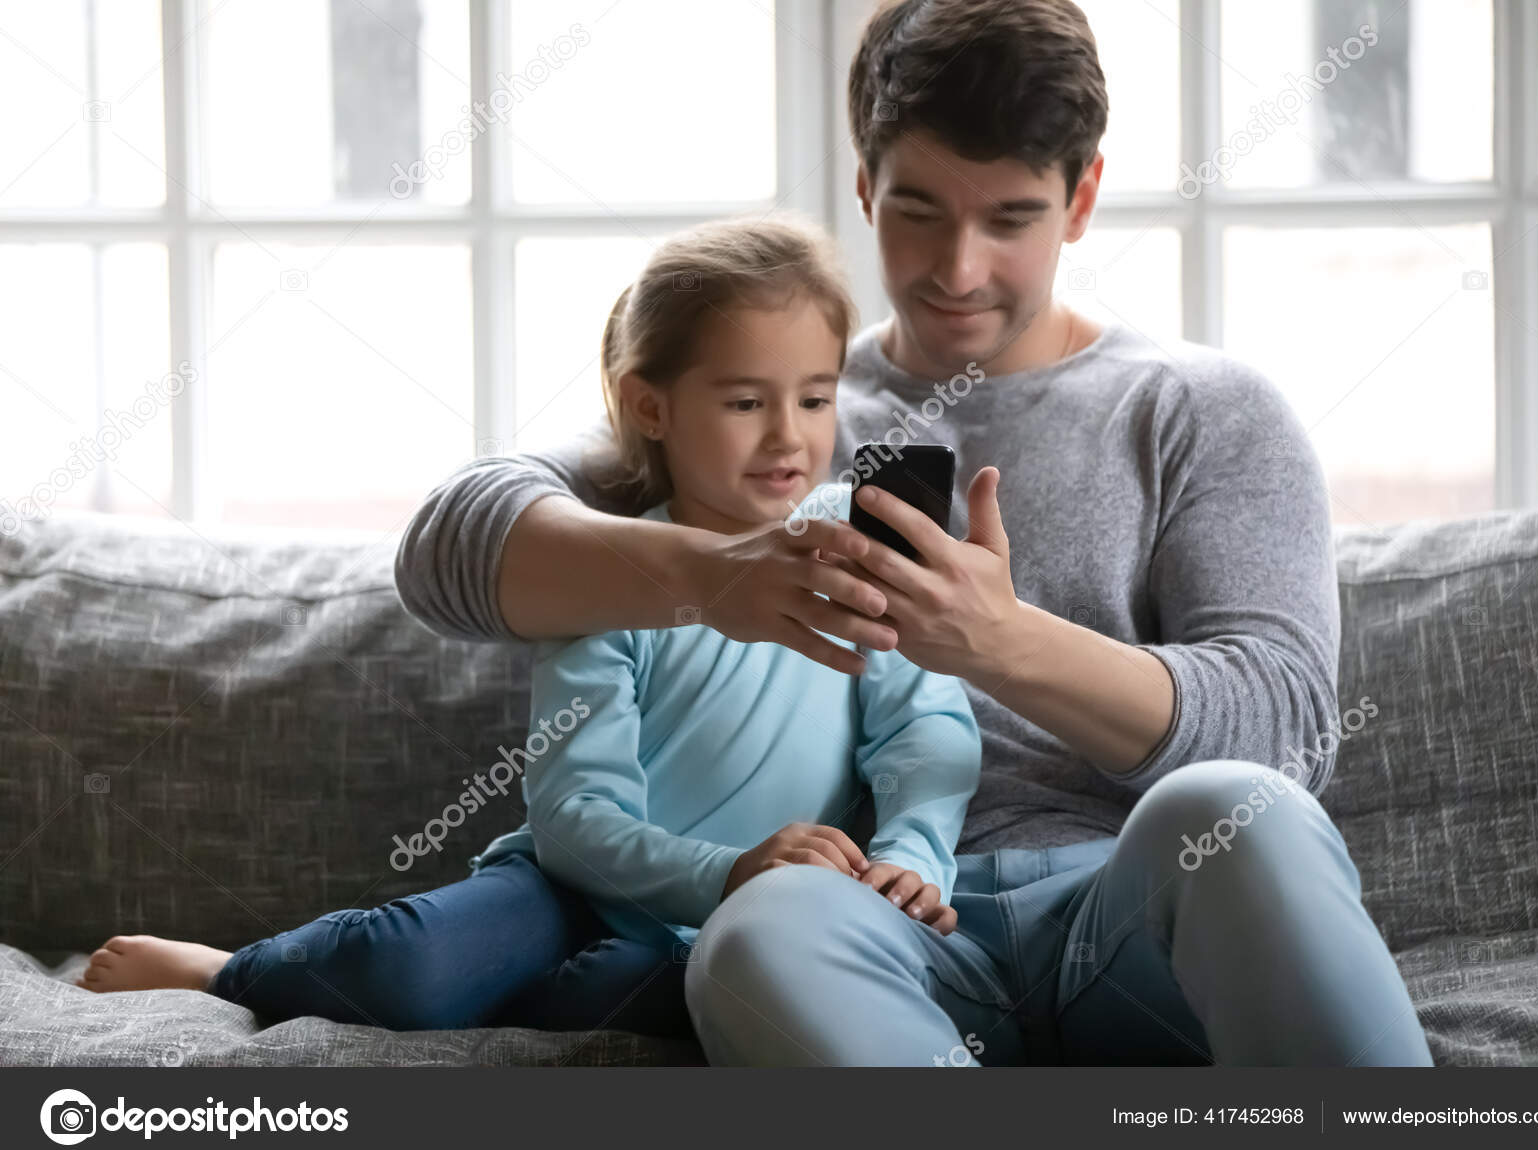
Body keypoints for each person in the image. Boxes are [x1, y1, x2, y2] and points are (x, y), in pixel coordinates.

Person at [390, 0, 1432, 1066]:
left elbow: (1285, 731)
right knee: (763, 923)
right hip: (877, 927)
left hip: (1127, 910)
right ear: (863, 186)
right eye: (919, 210)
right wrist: (717, 576)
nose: (958, 269)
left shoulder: (1196, 410)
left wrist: (999, 643)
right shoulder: (772, 406)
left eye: (1011, 219)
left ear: (1081, 200)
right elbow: (447, 551)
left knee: (1239, 808)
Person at [74, 215, 982, 1041]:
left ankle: (538, 989)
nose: (788, 436)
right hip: (570, 888)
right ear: (651, 406)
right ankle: (233, 967)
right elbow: (574, 818)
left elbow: (926, 725)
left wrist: (910, 857)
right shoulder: (616, 571)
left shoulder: (858, 544)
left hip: (757, 914)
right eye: (746, 402)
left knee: (639, 998)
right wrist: (727, 867)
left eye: (815, 399)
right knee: (413, 967)